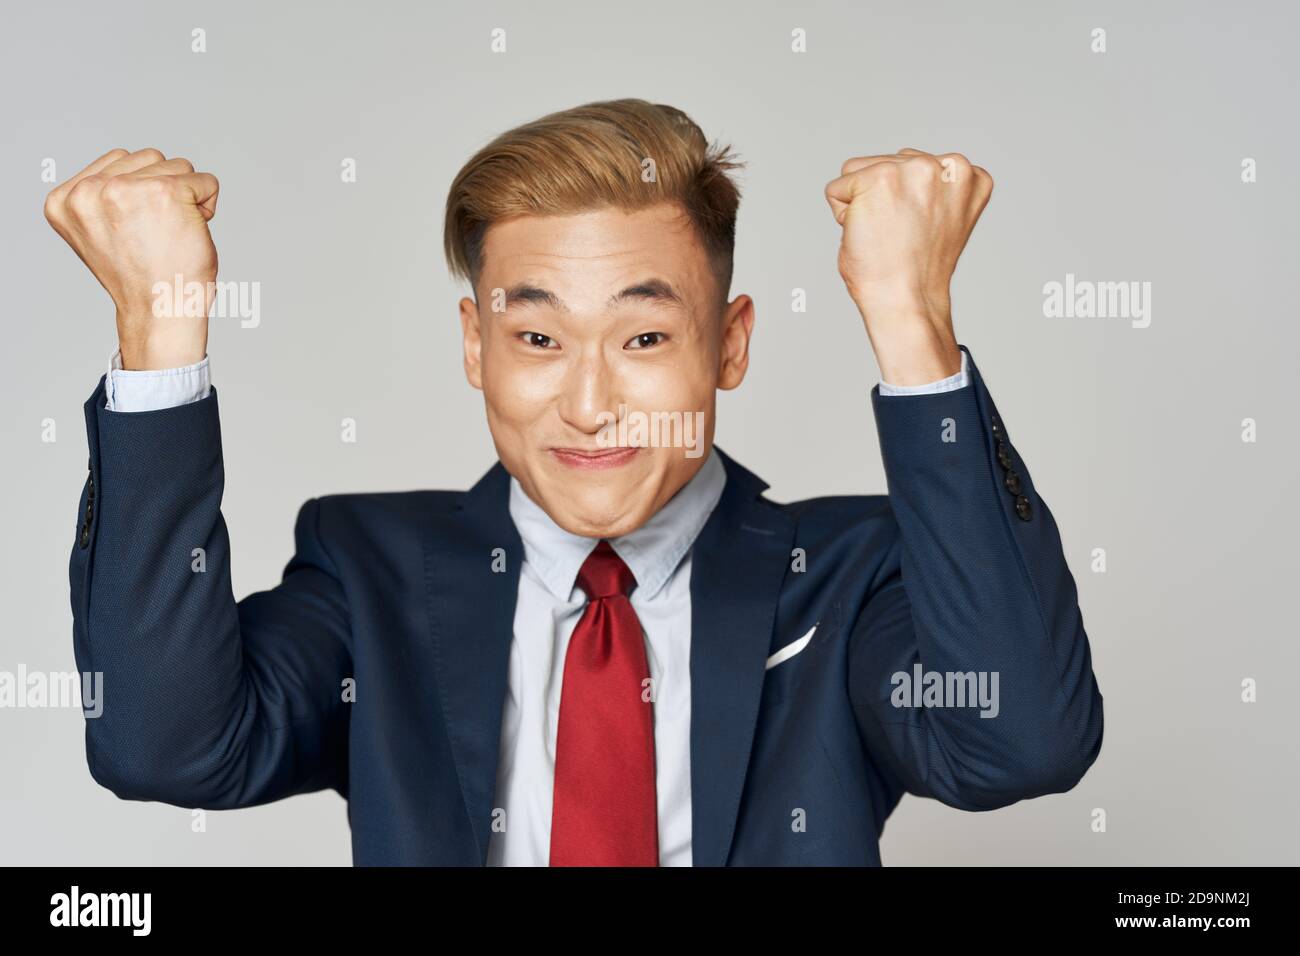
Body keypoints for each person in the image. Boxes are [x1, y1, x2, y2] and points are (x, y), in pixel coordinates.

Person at [45, 98, 1103, 866]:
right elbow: (164, 747)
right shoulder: (370, 574)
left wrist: (911, 320)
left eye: (644, 336)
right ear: (475, 344)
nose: (590, 405)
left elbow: (1018, 742)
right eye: (539, 338)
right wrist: (159, 328)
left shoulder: (845, 577)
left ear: (730, 344)